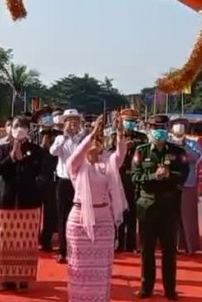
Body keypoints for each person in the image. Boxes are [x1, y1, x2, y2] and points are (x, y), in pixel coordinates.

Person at [65, 117, 127, 301]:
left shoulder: (108, 164)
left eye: (99, 142)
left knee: (101, 266)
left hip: (103, 219)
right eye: (92, 142)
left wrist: (120, 133)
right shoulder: (76, 166)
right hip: (79, 219)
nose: (95, 145)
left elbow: (121, 154)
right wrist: (92, 132)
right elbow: (78, 154)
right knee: (79, 265)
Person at [132, 114, 188, 300]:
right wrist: (153, 177)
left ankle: (170, 289)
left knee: (169, 251)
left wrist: (168, 175)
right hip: (147, 206)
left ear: (168, 130)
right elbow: (135, 177)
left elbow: (183, 175)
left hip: (168, 206)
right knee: (146, 250)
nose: (159, 131)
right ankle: (146, 287)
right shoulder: (141, 151)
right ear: (149, 130)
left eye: (162, 128)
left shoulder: (177, 151)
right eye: (155, 128)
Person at [0, 115, 47, 291]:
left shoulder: (36, 149)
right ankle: (5, 278)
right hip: (6, 200)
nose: (19, 129)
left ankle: (23, 278)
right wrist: (12, 158)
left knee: (26, 243)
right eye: (16, 125)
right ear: (11, 128)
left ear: (28, 129)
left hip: (28, 202)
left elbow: (40, 172)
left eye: (23, 126)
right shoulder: (2, 147)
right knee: (5, 243)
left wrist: (24, 159)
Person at [109, 108, 148, 253]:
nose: (130, 124)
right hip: (119, 176)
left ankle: (131, 244)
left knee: (133, 211)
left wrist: (135, 147)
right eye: (127, 121)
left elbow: (145, 154)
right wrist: (123, 147)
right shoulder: (114, 136)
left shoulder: (142, 137)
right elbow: (109, 154)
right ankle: (118, 242)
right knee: (119, 210)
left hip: (135, 176)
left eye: (132, 122)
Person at [50, 109, 85, 263]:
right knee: (63, 216)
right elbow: (53, 152)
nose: (73, 123)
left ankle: (78, 249)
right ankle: (63, 250)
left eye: (75, 120)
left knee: (80, 216)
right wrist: (64, 138)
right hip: (64, 181)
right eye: (69, 120)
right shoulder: (59, 138)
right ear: (64, 123)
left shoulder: (83, 138)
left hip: (80, 182)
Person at [169, 116, 202, 255]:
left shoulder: (193, 143)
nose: (179, 127)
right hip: (171, 183)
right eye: (176, 124)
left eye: (182, 124)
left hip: (189, 183)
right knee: (172, 216)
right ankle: (174, 245)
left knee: (188, 217)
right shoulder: (168, 142)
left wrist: (184, 146)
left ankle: (190, 246)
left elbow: (195, 156)